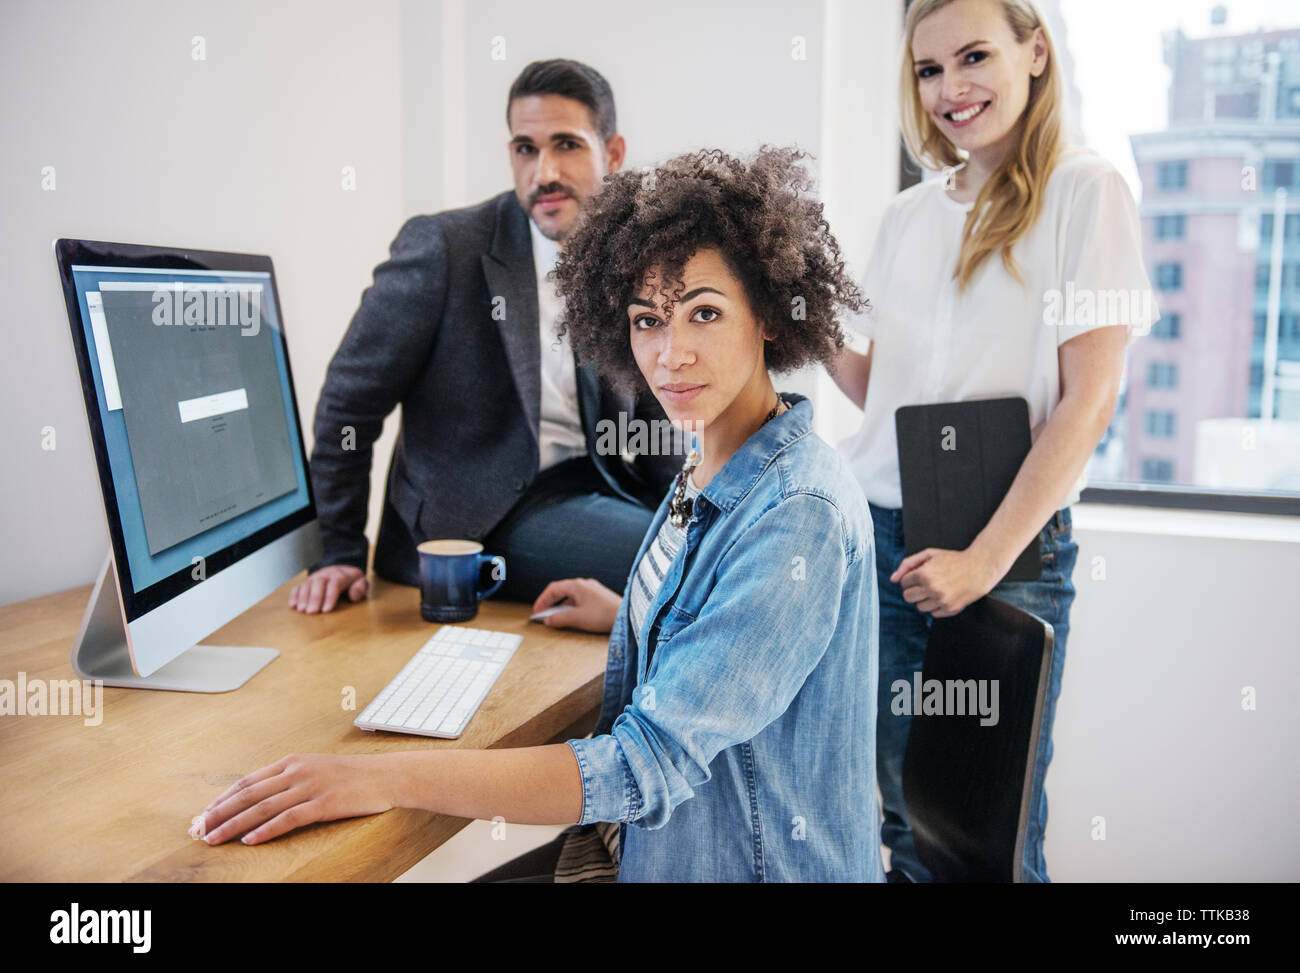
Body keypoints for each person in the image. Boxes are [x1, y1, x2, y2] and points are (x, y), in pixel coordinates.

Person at [190, 146, 885, 884]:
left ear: (770, 315)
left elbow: (641, 767)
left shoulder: (796, 510)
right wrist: (632, 613)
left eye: (704, 313)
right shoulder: (715, 454)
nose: (670, 354)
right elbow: (734, 642)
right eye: (647, 319)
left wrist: (379, 776)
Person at [827, 0, 1156, 883]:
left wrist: (980, 561)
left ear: (1036, 51)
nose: (951, 88)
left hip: (1004, 550)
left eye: (974, 57)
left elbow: (1086, 406)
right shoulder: (906, 217)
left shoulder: (1086, 193)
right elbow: (881, 395)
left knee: (983, 845)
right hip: (885, 543)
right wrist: (806, 319)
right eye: (929, 70)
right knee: (906, 826)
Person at [290, 59, 680, 614]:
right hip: (480, 520)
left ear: (612, 153)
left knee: (728, 546)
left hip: (602, 485)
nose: (543, 171)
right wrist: (338, 550)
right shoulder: (444, 249)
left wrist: (694, 501)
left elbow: (652, 412)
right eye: (525, 148)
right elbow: (348, 405)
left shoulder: (623, 257)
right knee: (692, 571)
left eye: (566, 145)